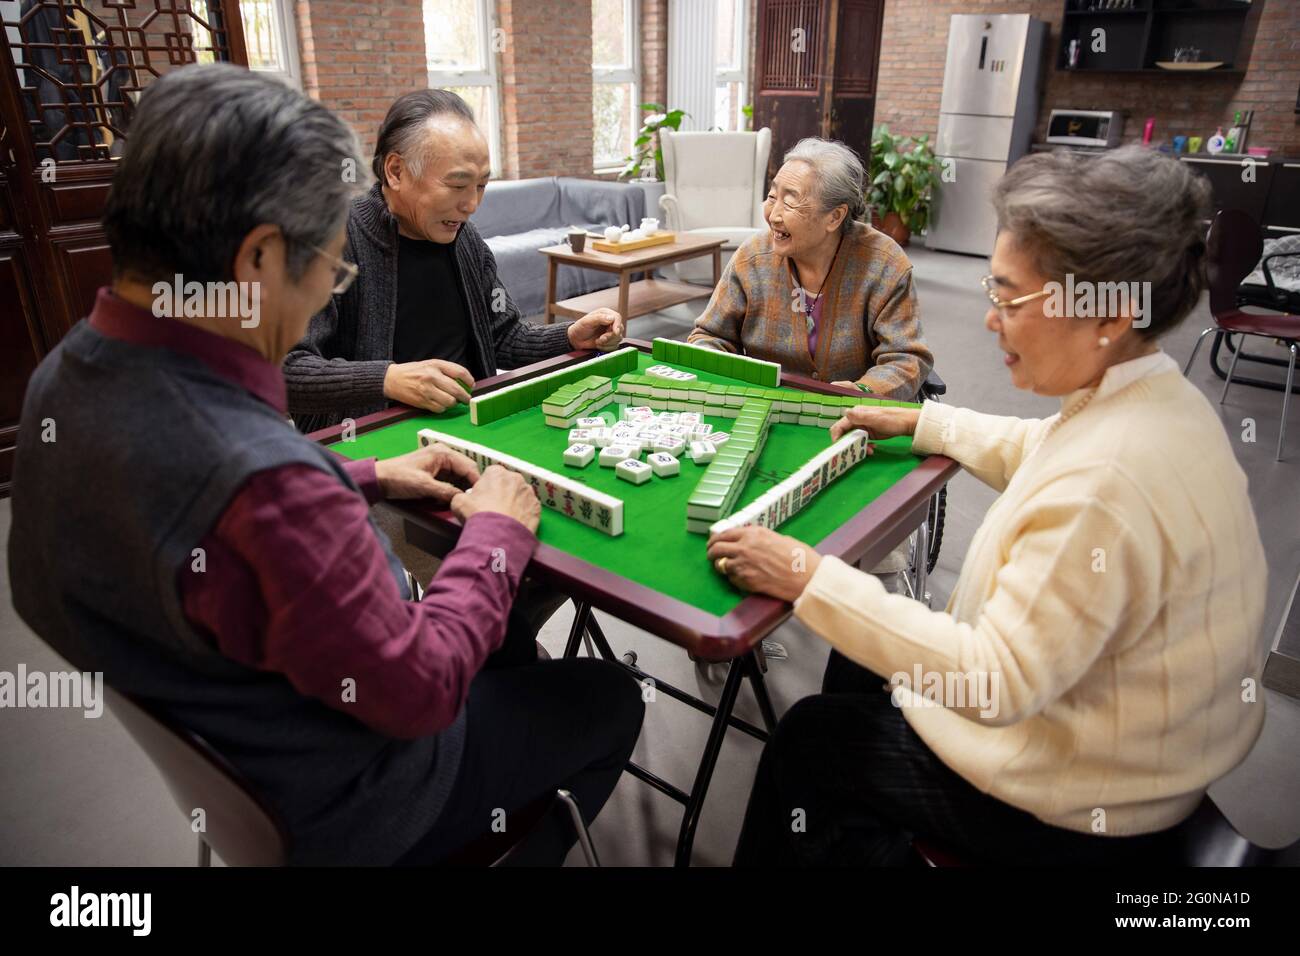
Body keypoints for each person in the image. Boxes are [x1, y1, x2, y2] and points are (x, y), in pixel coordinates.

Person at [8, 64, 643, 866]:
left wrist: (365, 475)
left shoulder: (61, 385)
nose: (327, 293)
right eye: (329, 269)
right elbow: (422, 690)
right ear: (257, 261)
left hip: (251, 774)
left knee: (511, 646)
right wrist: (491, 535)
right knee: (608, 696)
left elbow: (210, 515)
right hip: (368, 803)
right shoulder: (267, 482)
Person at [709, 145, 1268, 865]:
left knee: (809, 741)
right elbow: (1042, 443)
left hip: (1075, 799)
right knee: (858, 659)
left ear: (1105, 314)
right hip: (1125, 745)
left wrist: (804, 573)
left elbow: (992, 681)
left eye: (1010, 298)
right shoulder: (1154, 396)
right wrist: (923, 422)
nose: (988, 322)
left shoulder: (1108, 483)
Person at [283, 88, 626, 435]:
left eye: (481, 185)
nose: (472, 204)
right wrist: (388, 378)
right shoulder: (331, 241)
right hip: (365, 444)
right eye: (457, 184)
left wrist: (569, 336)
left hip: (470, 427)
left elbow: (502, 337)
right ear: (396, 171)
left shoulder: (465, 240)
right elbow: (284, 370)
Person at [688, 137, 933, 399]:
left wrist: (865, 391)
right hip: (764, 406)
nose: (773, 215)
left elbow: (906, 357)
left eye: (790, 202)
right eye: (772, 197)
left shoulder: (883, 264)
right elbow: (709, 334)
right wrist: (712, 357)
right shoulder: (753, 258)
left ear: (835, 216)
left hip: (848, 417)